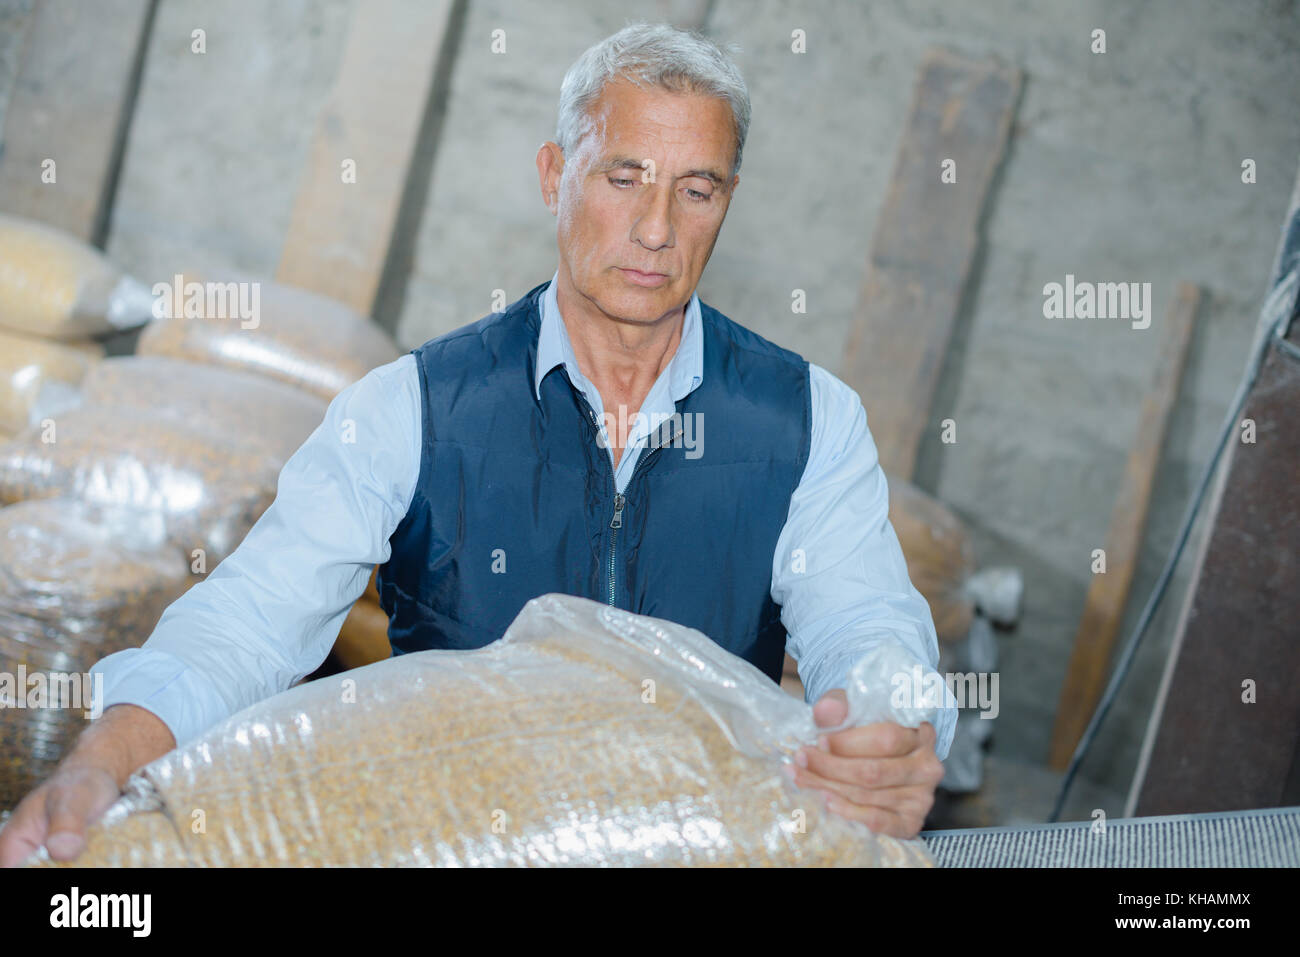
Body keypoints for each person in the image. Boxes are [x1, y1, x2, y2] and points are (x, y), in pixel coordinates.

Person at [0, 22, 954, 867]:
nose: (657, 228)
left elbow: (870, 626)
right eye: (624, 178)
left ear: (728, 201)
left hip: (695, 845)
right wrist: (104, 758)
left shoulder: (805, 418)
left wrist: (887, 727)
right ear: (554, 175)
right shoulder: (413, 407)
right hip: (446, 836)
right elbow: (249, 620)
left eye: (694, 190)